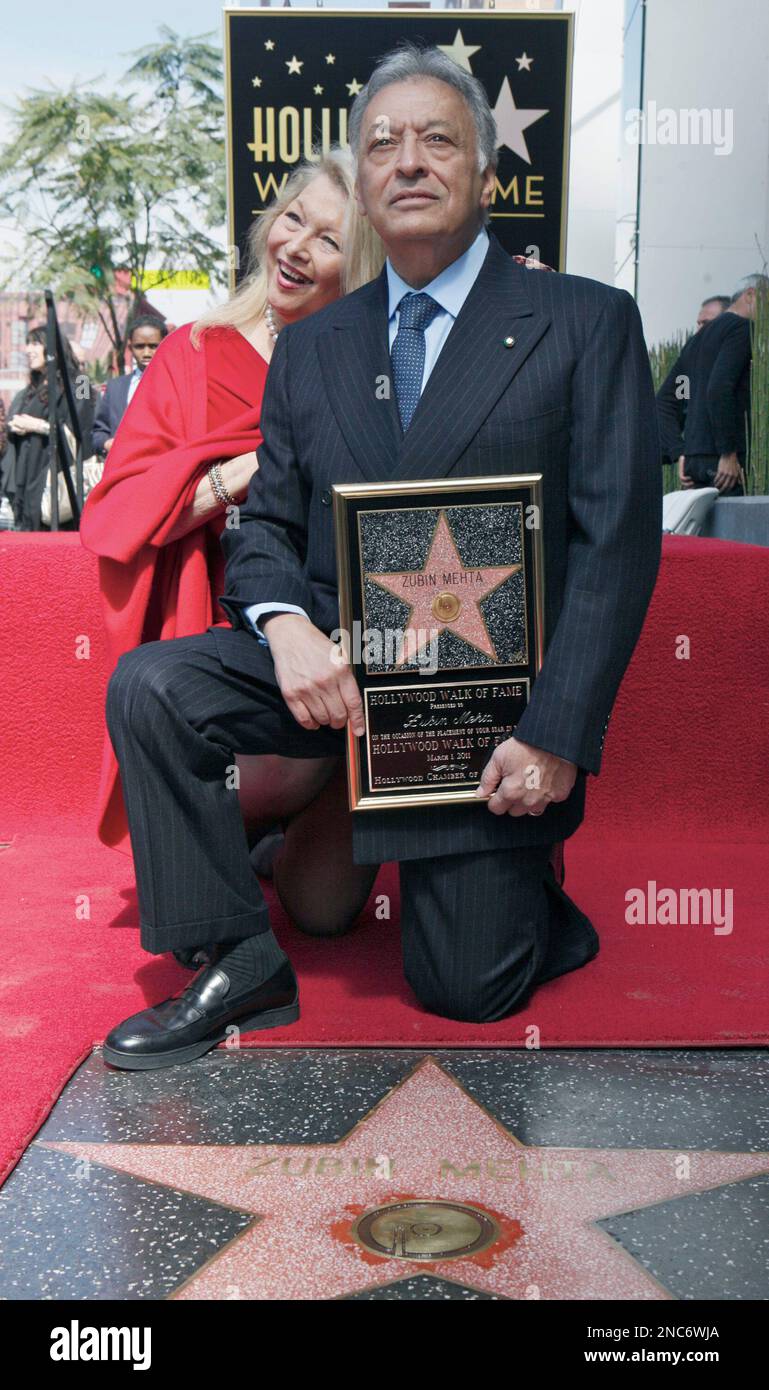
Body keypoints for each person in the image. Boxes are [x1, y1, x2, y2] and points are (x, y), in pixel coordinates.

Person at [101, 42, 661, 1070]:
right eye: (381, 145)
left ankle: (529, 887)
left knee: (468, 992)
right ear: (361, 180)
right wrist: (286, 627)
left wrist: (557, 735)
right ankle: (235, 957)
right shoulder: (315, 345)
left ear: (487, 175)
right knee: (153, 686)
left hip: (485, 717)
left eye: (436, 139)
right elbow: (264, 526)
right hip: (341, 677)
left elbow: (616, 544)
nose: (406, 161)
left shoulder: (586, 323)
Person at [80, 149, 388, 950]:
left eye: (327, 239)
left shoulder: (373, 369)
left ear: (355, 265)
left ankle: (320, 804)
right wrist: (239, 476)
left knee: (323, 916)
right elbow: (118, 512)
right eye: (292, 219)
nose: (296, 246)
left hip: (331, 632)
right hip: (212, 624)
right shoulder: (189, 350)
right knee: (201, 905)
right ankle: (237, 836)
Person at [657, 275, 764, 494]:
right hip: (724, 464)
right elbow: (719, 387)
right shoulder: (742, 330)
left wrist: (681, 452)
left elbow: (670, 400)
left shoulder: (695, 343)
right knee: (731, 528)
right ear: (751, 295)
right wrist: (728, 452)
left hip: (696, 464)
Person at [1, 327, 93, 531]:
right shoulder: (30, 388)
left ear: (53, 349)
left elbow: (84, 427)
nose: (28, 350)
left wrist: (40, 426)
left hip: (57, 476)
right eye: (27, 343)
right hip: (26, 473)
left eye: (35, 343)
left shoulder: (82, 381)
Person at [91, 315, 168, 457]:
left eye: (153, 346)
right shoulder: (114, 388)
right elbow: (98, 431)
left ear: (165, 344)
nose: (146, 353)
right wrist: (106, 443)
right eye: (139, 346)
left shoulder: (176, 385)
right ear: (130, 347)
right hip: (122, 467)